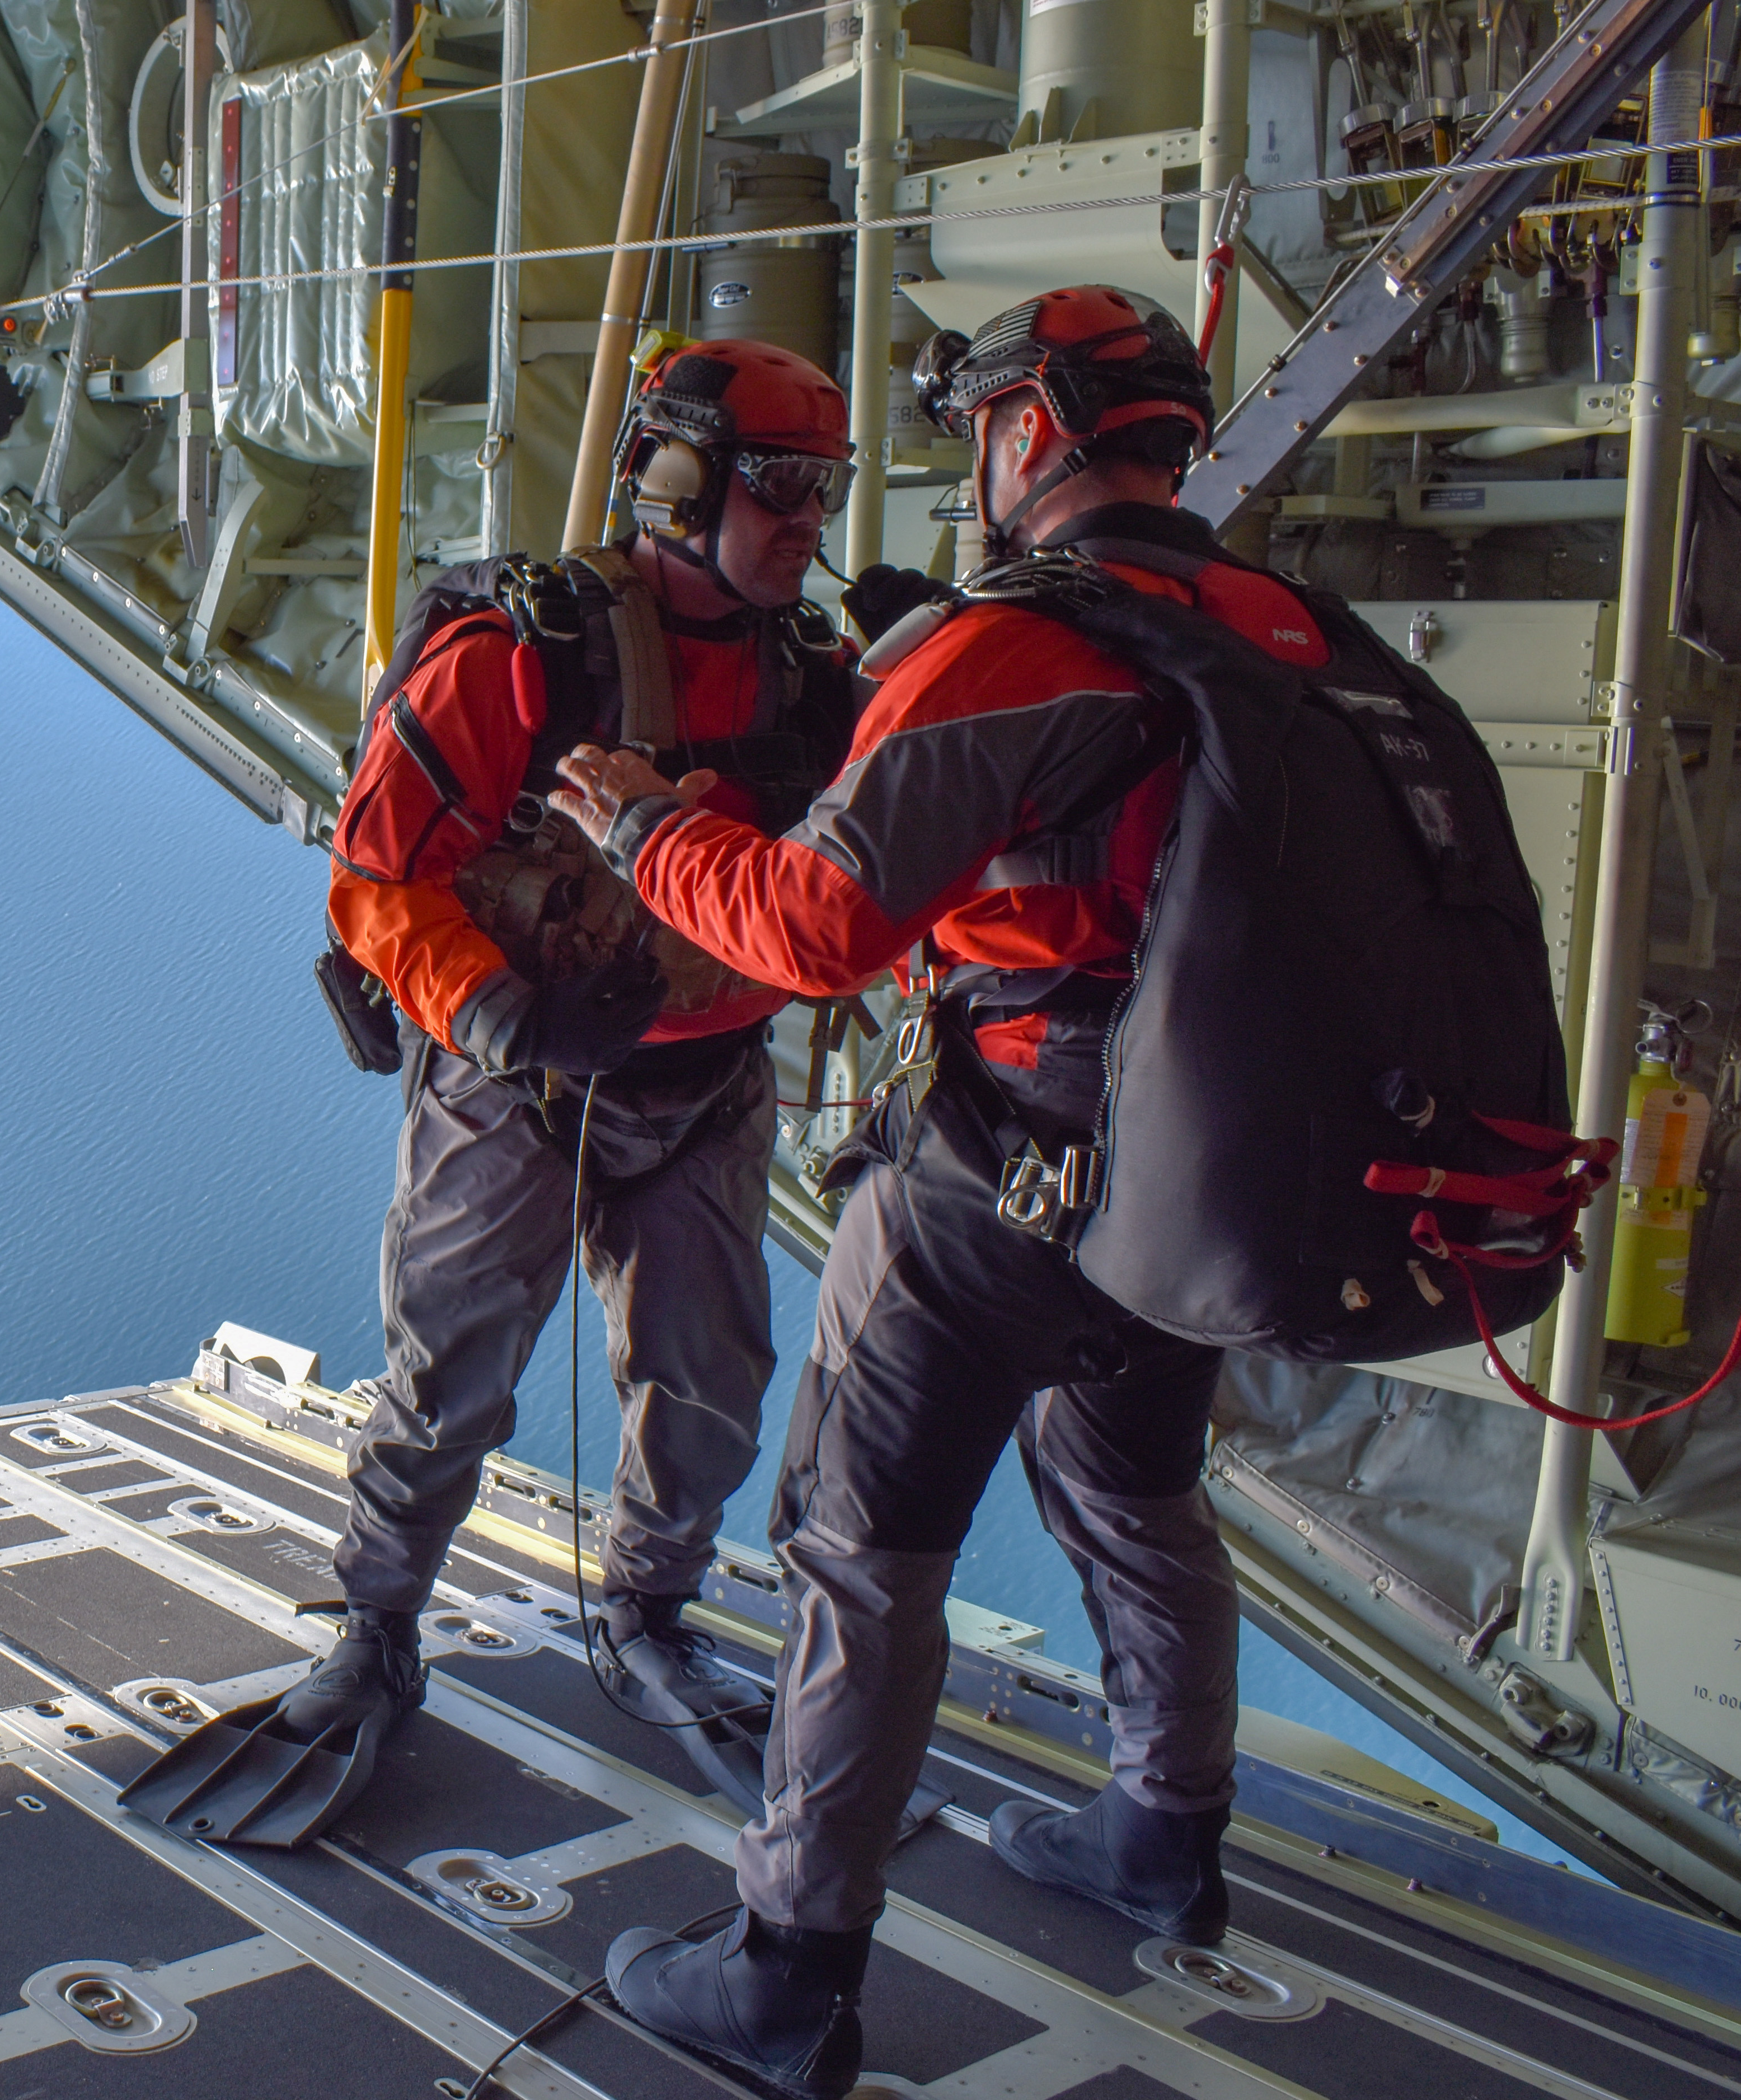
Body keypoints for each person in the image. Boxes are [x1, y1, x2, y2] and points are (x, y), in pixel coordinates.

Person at [547, 287, 1281, 2100]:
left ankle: (787, 1973)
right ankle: (1160, 1841)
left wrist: (646, 824)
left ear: (1027, 434)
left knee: (857, 1552)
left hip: (1002, 1163)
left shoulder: (1016, 638)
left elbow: (807, 931)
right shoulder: (1272, 625)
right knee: (1131, 1492)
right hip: (1194, 1174)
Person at [294, 340, 862, 1800]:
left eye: (826, 488)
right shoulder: (521, 661)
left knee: (708, 1380)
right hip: (521, 1085)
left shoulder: (812, 680)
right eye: (780, 485)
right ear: (676, 484)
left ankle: (649, 1606)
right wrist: (508, 1021)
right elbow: (371, 884)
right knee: (449, 1366)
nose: (809, 520)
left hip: (706, 1080)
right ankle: (375, 1621)